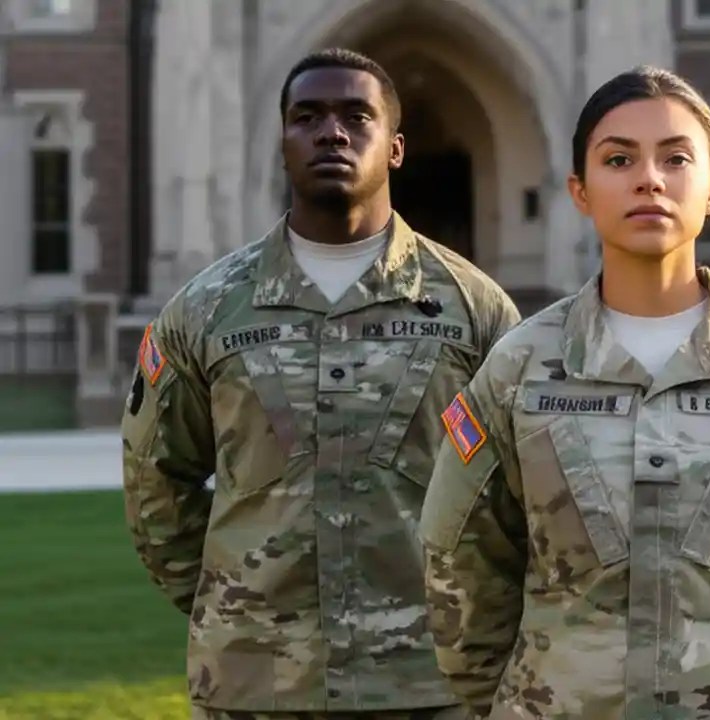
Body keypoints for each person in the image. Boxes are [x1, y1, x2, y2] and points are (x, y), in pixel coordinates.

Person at [417, 66, 710, 720]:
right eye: (619, 159)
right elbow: (458, 557)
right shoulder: (520, 366)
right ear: (579, 191)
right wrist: (531, 695)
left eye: (676, 158)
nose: (650, 179)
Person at [120, 48, 519, 720]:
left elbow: (520, 493)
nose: (331, 131)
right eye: (307, 117)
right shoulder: (206, 309)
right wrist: (233, 600)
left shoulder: (472, 309)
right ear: (282, 145)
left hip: (428, 684)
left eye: (355, 116)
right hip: (254, 687)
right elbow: (155, 486)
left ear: (394, 148)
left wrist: (472, 618)